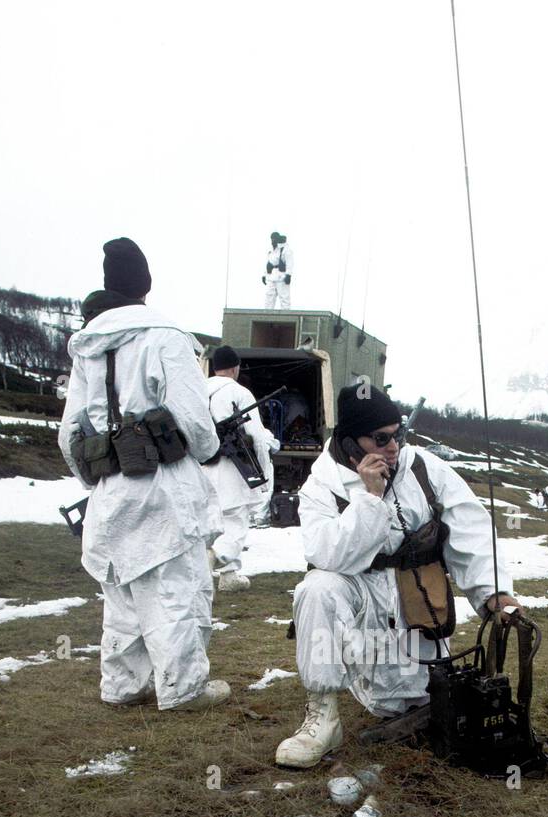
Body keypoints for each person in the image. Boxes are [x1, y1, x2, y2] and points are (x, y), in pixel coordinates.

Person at [275, 385, 522, 768]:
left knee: (406, 703)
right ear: (350, 443)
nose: (394, 447)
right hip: (357, 596)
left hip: (415, 598)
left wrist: (494, 591)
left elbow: (468, 524)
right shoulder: (321, 486)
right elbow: (329, 554)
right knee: (316, 588)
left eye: (398, 434)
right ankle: (322, 716)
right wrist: (370, 501)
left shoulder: (422, 467)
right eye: (381, 438)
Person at [58, 237, 229, 711]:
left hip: (111, 491)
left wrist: (97, 478)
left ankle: (123, 685)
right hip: (163, 486)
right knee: (172, 591)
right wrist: (207, 450)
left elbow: (70, 433)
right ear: (145, 284)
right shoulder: (166, 338)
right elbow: (196, 423)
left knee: (122, 594)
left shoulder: (87, 347)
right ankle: (183, 688)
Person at [205, 346, 279, 592]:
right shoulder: (239, 392)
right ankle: (214, 557)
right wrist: (265, 469)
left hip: (202, 469)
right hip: (232, 467)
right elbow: (255, 436)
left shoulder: (198, 390)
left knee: (214, 522)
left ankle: (229, 576)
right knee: (236, 523)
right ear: (236, 367)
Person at [263, 231, 292, 309]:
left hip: (281, 277)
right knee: (269, 297)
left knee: (284, 298)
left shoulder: (285, 249)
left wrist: (288, 275)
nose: (273, 241)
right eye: (272, 239)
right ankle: (267, 316)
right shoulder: (271, 250)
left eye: (274, 239)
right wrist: (264, 275)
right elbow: (268, 263)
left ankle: (286, 316)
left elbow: (289, 263)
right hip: (271, 276)